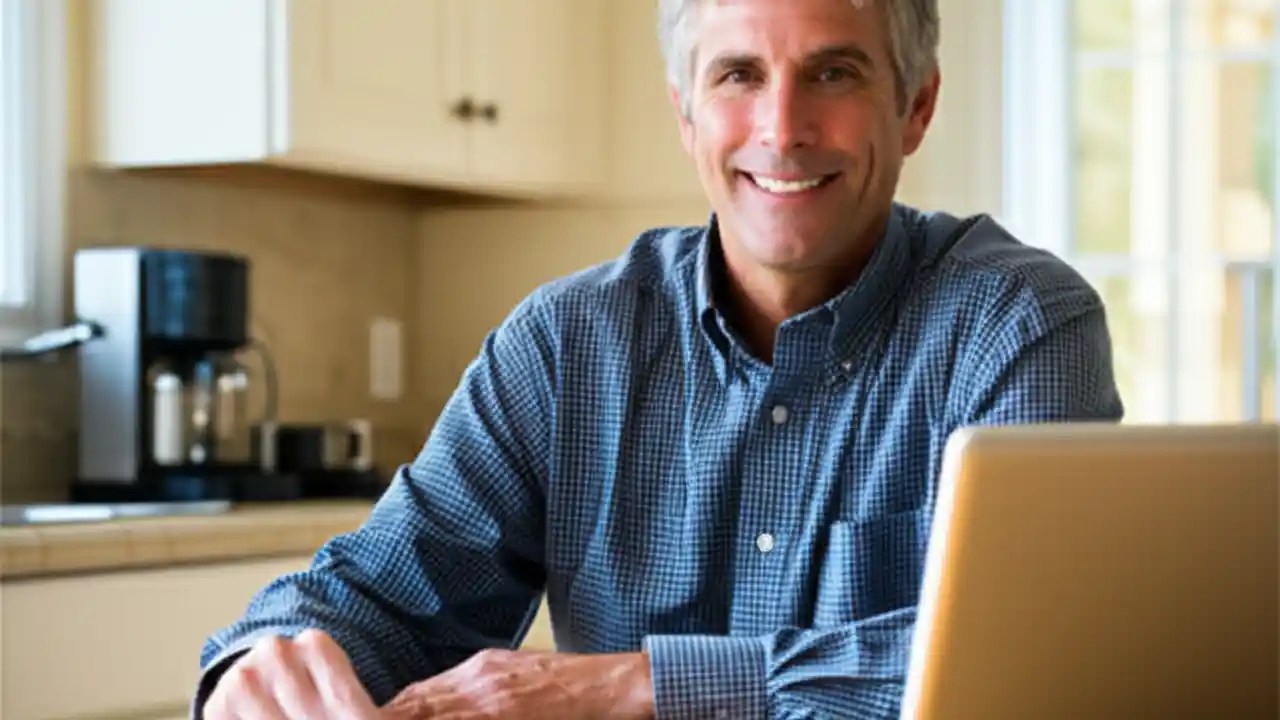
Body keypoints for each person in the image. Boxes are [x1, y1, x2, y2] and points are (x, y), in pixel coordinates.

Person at [197, 0, 1124, 717]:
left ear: (916, 105)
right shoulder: (565, 346)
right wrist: (265, 661)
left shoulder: (1020, 326)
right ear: (685, 112)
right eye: (737, 75)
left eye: (833, 72)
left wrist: (630, 688)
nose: (782, 126)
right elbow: (388, 595)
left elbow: (1040, 663)